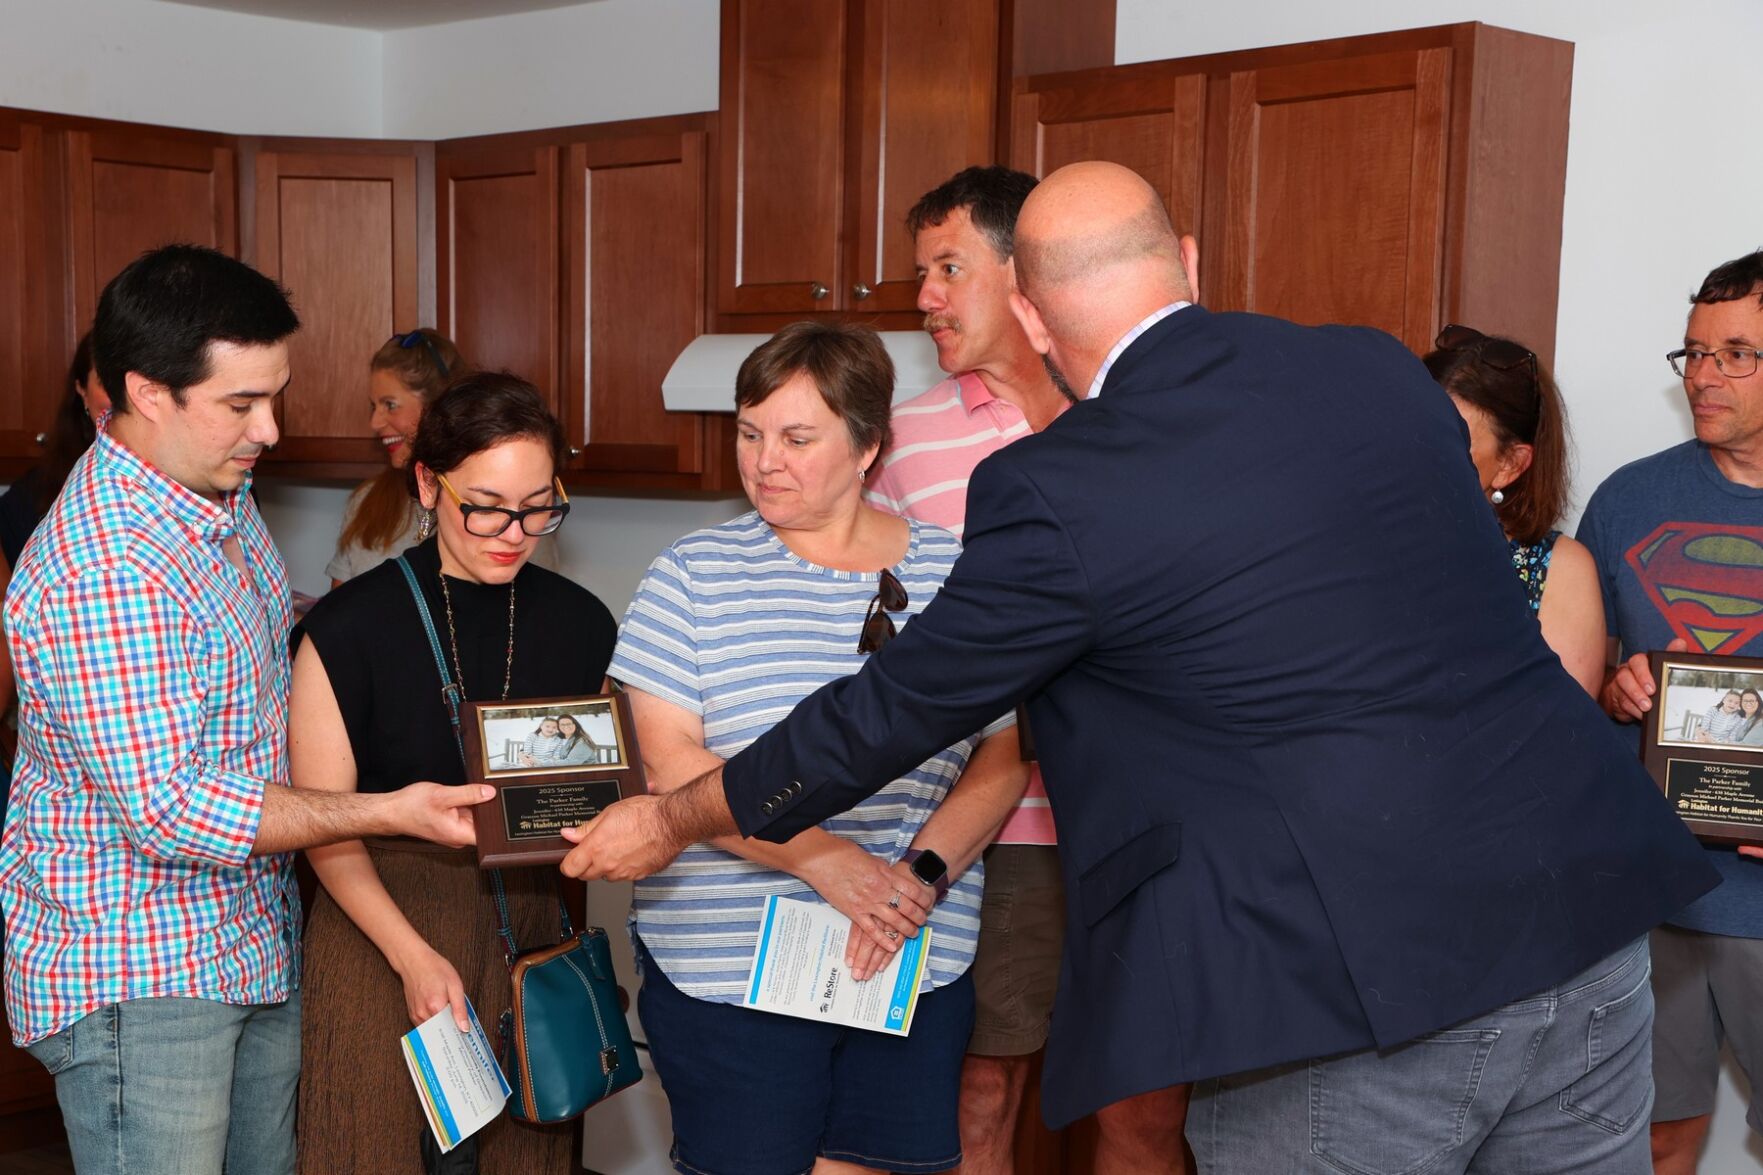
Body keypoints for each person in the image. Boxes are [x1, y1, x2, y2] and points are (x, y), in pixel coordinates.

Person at [560, 162, 1717, 1174]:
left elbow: (893, 708)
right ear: (1187, 262)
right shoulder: (1372, 369)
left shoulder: (1061, 485)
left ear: (1027, 309)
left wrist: (675, 815)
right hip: (1582, 909)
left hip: (1344, 986)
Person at [0, 244, 491, 1175]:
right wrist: (383, 809)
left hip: (246, 936)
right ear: (147, 392)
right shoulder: (108, 564)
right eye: (240, 403)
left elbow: (263, 702)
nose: (268, 428)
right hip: (140, 970)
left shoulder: (218, 498)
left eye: (276, 396)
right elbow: (172, 806)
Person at [607, 321, 1028, 1175]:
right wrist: (825, 861)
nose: (765, 461)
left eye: (796, 438)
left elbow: (1007, 750)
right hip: (728, 963)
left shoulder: (956, 575)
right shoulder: (691, 572)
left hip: (906, 953)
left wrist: (917, 877)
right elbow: (670, 763)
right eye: (749, 433)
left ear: (868, 446)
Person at [866, 164, 1189, 1174]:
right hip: (1002, 826)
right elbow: (878, 629)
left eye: (947, 268)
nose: (924, 296)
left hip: (1155, 820)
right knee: (982, 1086)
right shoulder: (906, 441)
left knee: (1144, 1108)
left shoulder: (1134, 414)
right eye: (919, 274)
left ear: (1024, 275)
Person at [291, 372, 616, 1175]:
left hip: (526, 935)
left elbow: (601, 792)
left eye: (538, 506)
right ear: (428, 484)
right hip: (379, 927)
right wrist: (411, 955)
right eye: (487, 506)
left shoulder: (582, 622)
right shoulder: (347, 628)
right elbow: (322, 826)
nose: (514, 531)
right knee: (374, 1151)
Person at [1582, 248, 1763, 1175]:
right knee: (1653, 1138)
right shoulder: (1627, 498)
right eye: (1692, 352)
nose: (1702, 375)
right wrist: (1611, 686)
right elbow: (1570, 683)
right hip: (1653, 895)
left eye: (1735, 354)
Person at [1423, 325, 1605, 694]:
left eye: (1452, 443)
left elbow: (1562, 722)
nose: (1422, 456)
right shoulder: (1350, 540)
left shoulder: (1557, 569)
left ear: (1511, 464)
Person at [325, 333, 563, 589]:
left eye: (390, 405)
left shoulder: (523, 521)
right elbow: (340, 602)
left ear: (436, 407)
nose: (375, 422)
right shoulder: (366, 501)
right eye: (374, 406)